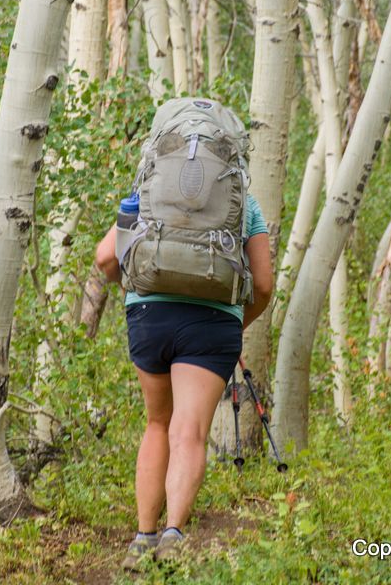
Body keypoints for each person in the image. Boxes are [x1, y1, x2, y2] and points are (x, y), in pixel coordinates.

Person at [95, 100, 273, 569]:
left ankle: (142, 538)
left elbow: (104, 259)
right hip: (213, 324)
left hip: (150, 315)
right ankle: (174, 534)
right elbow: (266, 284)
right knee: (189, 430)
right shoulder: (243, 202)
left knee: (157, 424)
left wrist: (132, 287)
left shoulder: (148, 191)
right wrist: (237, 322)